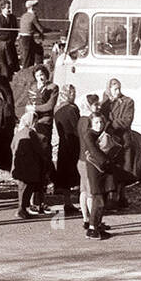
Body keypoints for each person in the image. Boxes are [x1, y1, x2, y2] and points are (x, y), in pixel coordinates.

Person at [78, 109, 116, 240]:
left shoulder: (104, 134)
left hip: (104, 170)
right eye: (96, 122)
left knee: (103, 200)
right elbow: (94, 151)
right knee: (98, 200)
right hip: (96, 171)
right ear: (91, 123)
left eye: (101, 122)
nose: (99, 125)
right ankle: (92, 228)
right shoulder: (89, 135)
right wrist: (106, 162)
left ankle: (97, 225)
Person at [100, 78, 136, 211]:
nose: (118, 92)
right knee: (111, 170)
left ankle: (119, 197)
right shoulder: (105, 103)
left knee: (123, 170)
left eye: (119, 88)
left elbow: (127, 121)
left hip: (123, 141)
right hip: (110, 142)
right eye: (115, 89)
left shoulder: (128, 101)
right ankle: (113, 198)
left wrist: (110, 124)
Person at [10, 110, 51, 218]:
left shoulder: (19, 133)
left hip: (18, 165)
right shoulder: (31, 133)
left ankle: (22, 209)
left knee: (21, 188)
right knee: (26, 189)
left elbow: (12, 147)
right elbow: (38, 150)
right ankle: (21, 210)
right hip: (29, 166)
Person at [52, 84, 82, 218]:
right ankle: (82, 203)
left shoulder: (57, 109)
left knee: (64, 174)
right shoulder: (72, 109)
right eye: (73, 93)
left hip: (64, 143)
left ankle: (67, 202)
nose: (74, 95)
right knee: (78, 173)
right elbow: (78, 128)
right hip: (74, 143)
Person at [0, 0, 20, 73]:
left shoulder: (13, 18)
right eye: (7, 8)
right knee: (4, 64)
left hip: (11, 44)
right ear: (2, 8)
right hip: (2, 46)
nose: (9, 9)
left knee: (13, 63)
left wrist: (14, 38)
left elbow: (15, 30)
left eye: (10, 7)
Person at [18, 0, 46, 69]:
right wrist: (50, 30)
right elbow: (40, 29)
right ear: (33, 8)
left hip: (22, 39)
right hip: (28, 39)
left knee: (28, 57)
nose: (37, 10)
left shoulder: (23, 16)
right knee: (29, 58)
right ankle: (38, 67)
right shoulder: (33, 16)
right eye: (36, 8)